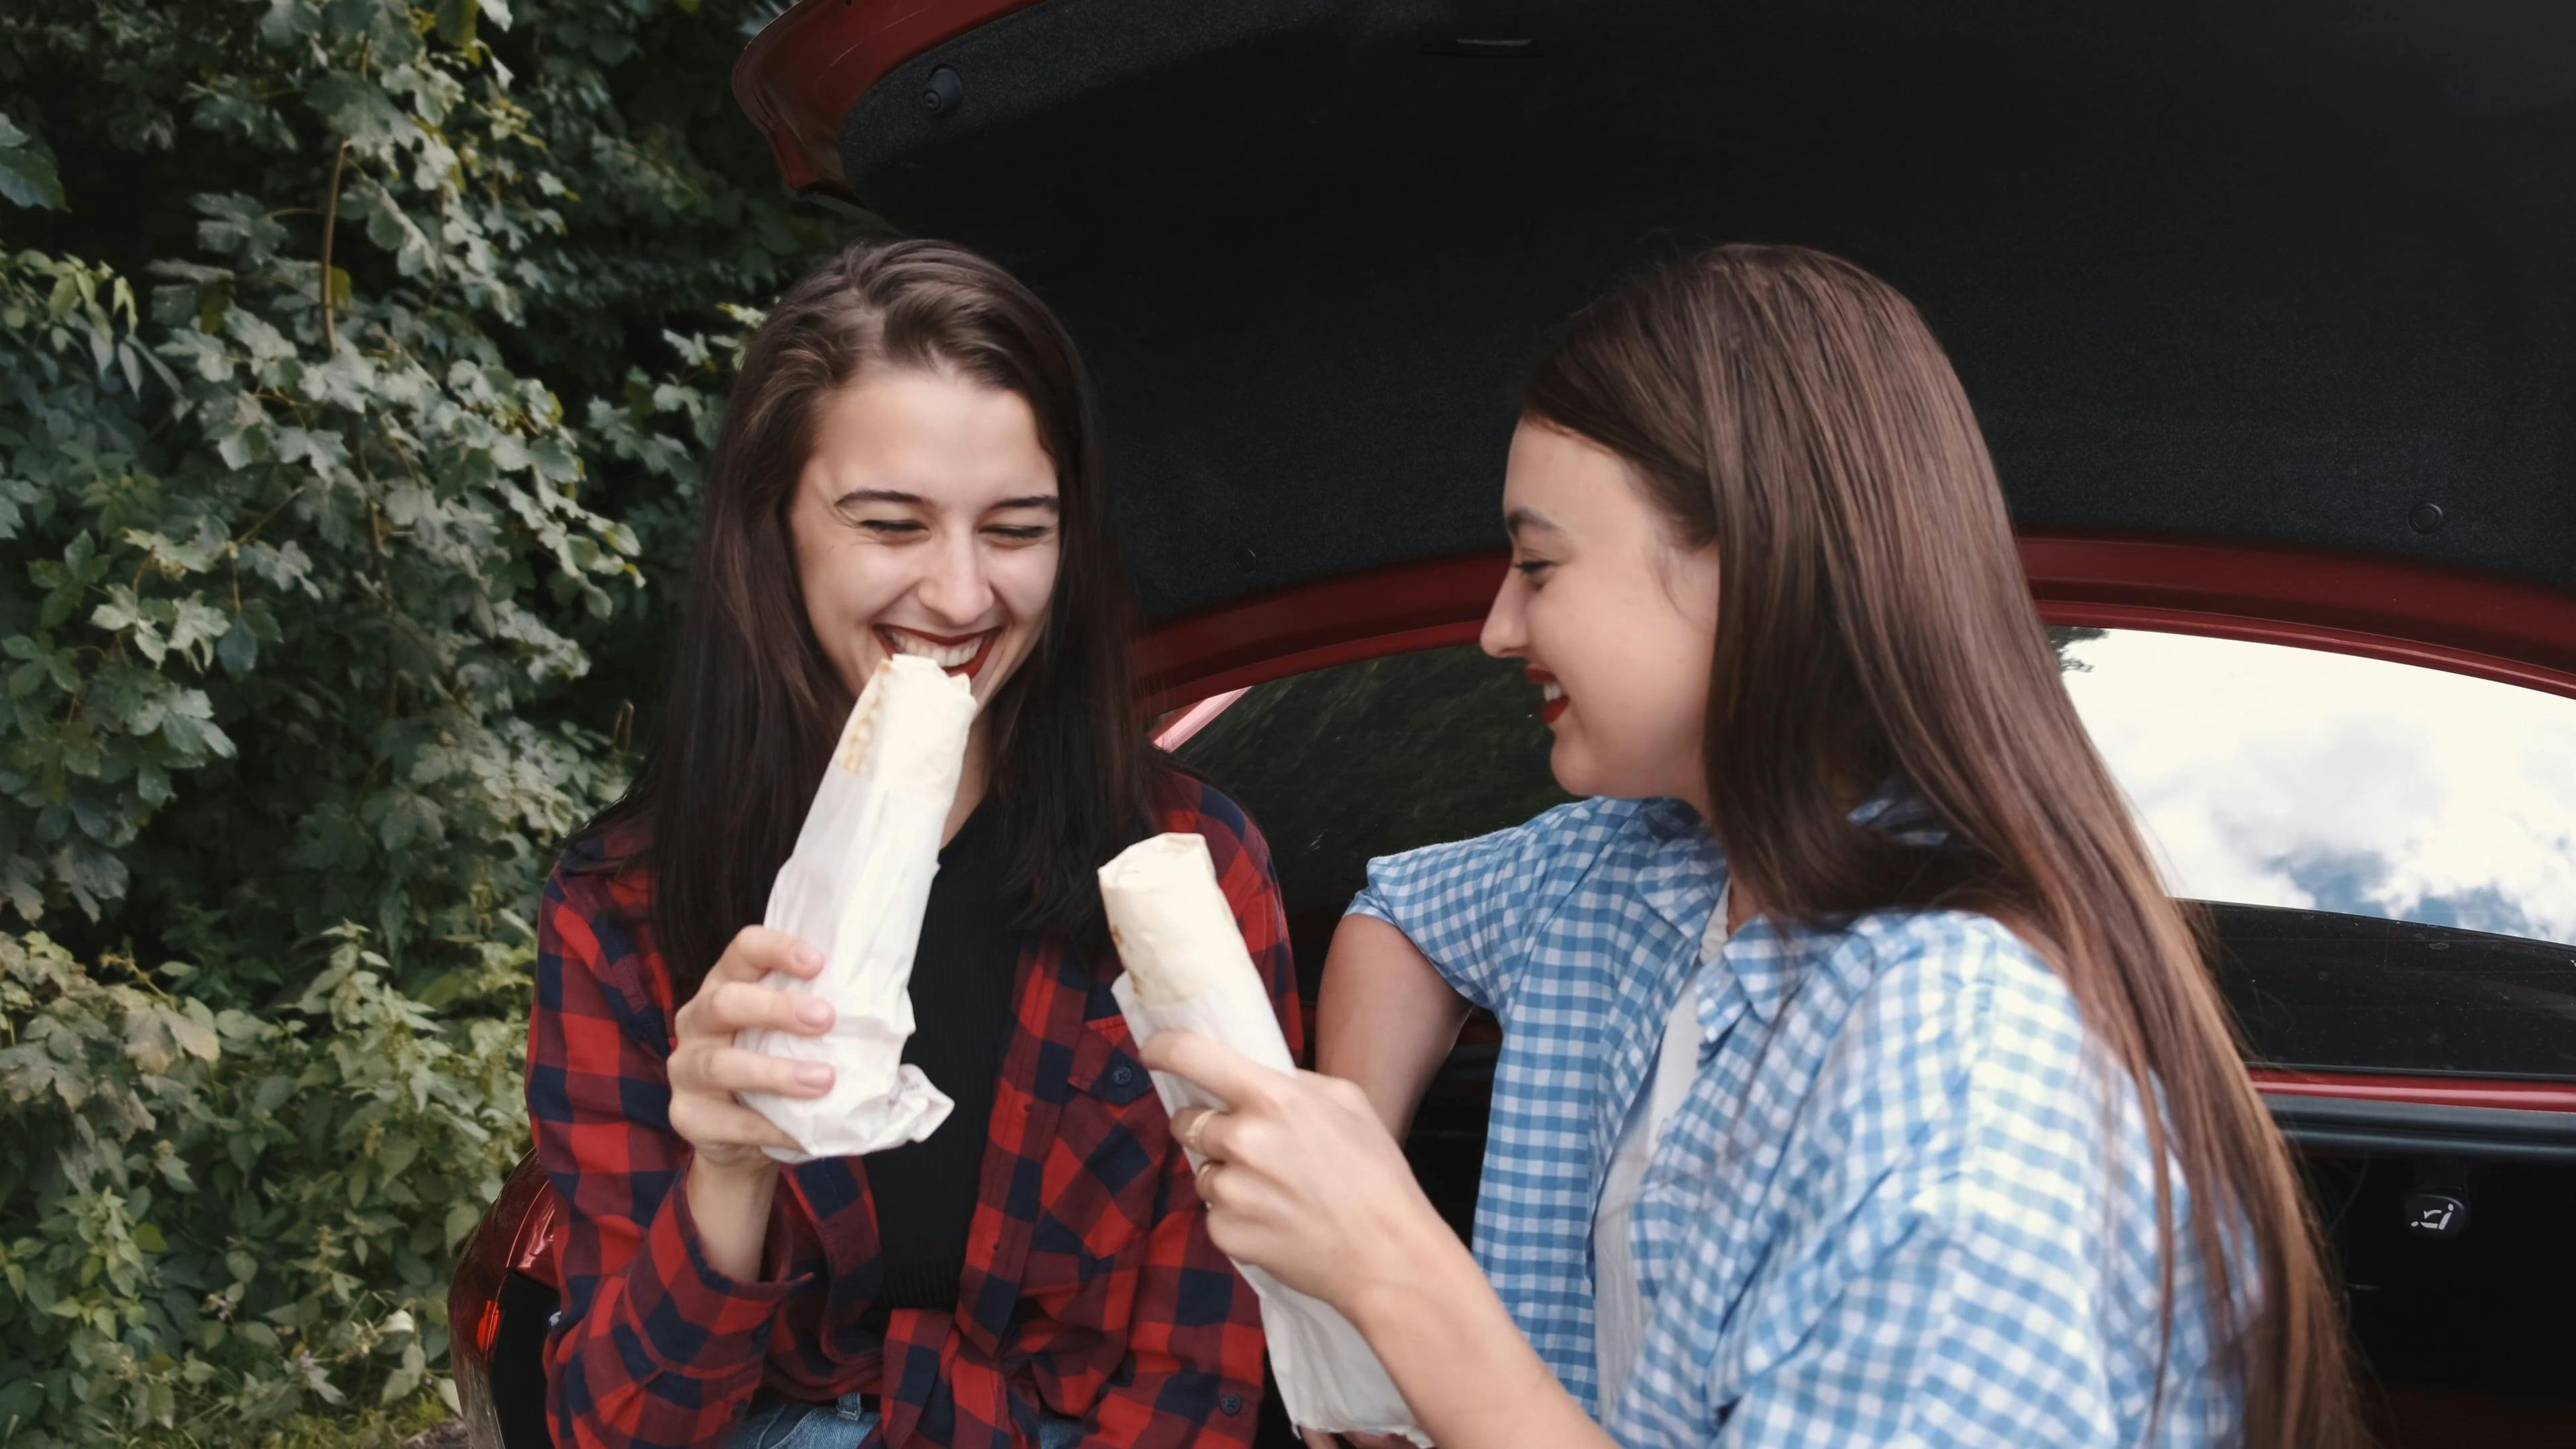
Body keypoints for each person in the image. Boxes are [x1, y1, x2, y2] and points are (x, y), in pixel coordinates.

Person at [1143, 245, 2361, 1448]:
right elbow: (1400, 915)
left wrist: (1391, 1272)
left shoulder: (1951, 1069)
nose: (1498, 627)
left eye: (1539, 564)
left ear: (1748, 562)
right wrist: (1346, 1191)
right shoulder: (1631, 873)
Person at [527, 239, 1301, 1449]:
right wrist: (728, 1171)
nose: (957, 597)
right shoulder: (626, 907)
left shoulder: (1191, 865)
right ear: (771, 529)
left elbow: (1204, 1360)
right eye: (891, 524)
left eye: (1016, 529)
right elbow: (615, 1430)